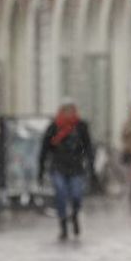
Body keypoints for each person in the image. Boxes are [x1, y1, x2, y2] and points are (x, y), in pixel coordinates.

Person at [38, 100, 96, 240]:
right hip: (58, 167)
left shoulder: (81, 126)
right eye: (66, 110)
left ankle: (74, 215)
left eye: (71, 109)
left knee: (76, 195)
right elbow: (45, 149)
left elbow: (88, 147)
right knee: (61, 194)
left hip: (76, 167)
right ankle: (63, 223)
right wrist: (40, 169)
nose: (69, 113)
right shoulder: (54, 127)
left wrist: (90, 165)